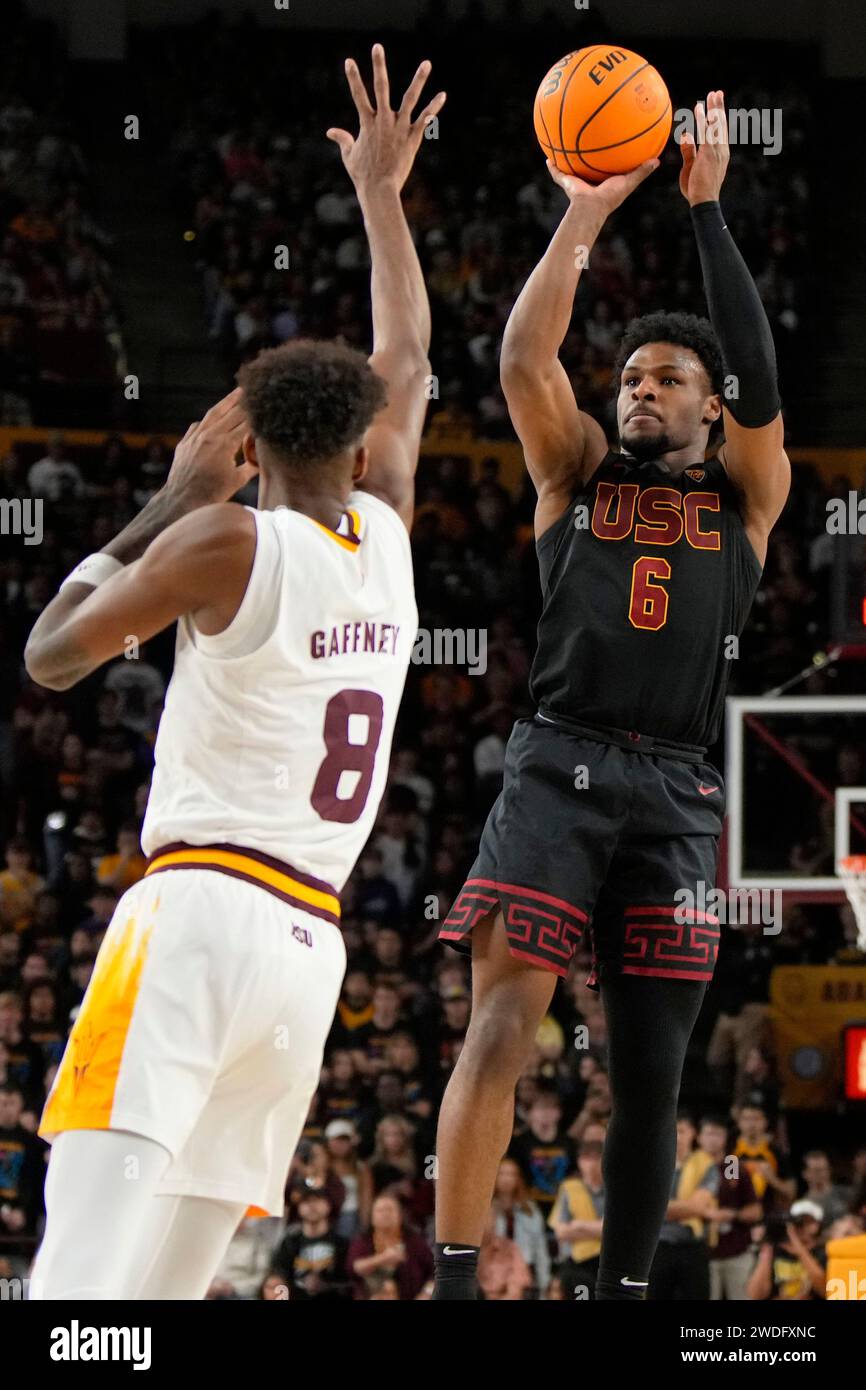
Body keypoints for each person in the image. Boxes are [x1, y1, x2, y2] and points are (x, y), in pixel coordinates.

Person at [25, 45, 445, 1301]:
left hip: (198, 914)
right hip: (308, 947)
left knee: (84, 1260)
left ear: (250, 442)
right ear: (366, 441)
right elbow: (412, 353)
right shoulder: (388, 535)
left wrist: (165, 501)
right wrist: (383, 195)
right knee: (168, 1287)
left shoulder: (223, 537)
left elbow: (50, 659)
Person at [434, 90, 790, 1299]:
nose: (640, 387)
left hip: (679, 787)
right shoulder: (574, 470)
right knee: (502, 1027)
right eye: (631, 373)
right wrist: (580, 219)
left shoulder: (744, 496)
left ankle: (624, 1293)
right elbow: (523, 358)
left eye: (668, 377)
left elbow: (759, 374)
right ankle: (448, 1278)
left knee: (650, 1077)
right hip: (556, 764)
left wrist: (705, 214)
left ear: (708, 405)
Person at [698, 1114, 761, 1301]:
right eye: (708, 1133)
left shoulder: (731, 1164)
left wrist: (731, 1214)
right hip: (702, 1253)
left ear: (725, 1138)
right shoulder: (691, 1166)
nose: (712, 1139)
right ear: (699, 1137)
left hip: (736, 1250)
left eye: (717, 1134)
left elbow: (755, 1210)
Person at [346, 1192, 433, 1300]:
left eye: (390, 1209)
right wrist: (383, 1258)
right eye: (380, 1210)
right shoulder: (362, 1241)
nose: (385, 1214)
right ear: (372, 1217)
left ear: (400, 1215)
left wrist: (426, 1293)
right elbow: (355, 1268)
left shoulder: (414, 1241)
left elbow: (434, 1272)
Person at [548, 1139, 605, 1299]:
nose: (591, 1164)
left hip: (607, 1261)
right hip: (577, 1262)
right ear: (579, 1161)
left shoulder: (615, 1188)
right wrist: (597, 1230)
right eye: (586, 1158)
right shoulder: (569, 1188)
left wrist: (578, 1225)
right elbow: (561, 1233)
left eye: (596, 1158)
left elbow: (616, 1231)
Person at [746, 1200, 827, 1301]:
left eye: (809, 1221)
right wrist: (766, 1253)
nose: (802, 1227)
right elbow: (755, 1295)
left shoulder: (823, 1252)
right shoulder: (775, 1251)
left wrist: (799, 1248)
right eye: (799, 1222)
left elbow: (825, 1290)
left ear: (819, 1225)